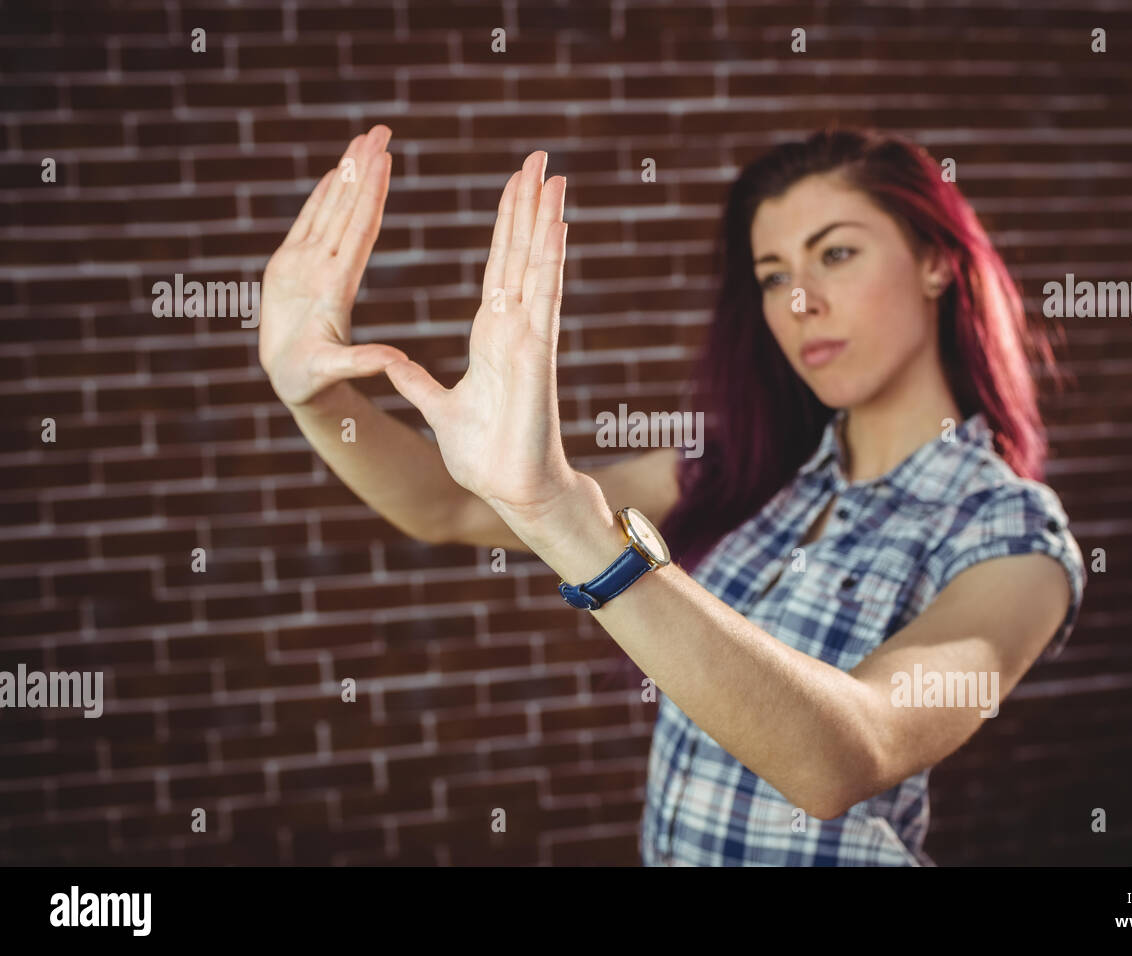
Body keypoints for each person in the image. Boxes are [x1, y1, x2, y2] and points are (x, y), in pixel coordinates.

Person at [259, 123, 1087, 866]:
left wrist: (567, 520)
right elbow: (448, 508)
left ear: (938, 261)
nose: (800, 302)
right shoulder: (747, 470)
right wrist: (317, 396)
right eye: (772, 276)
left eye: (836, 253)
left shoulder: (1008, 533)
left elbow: (847, 756)